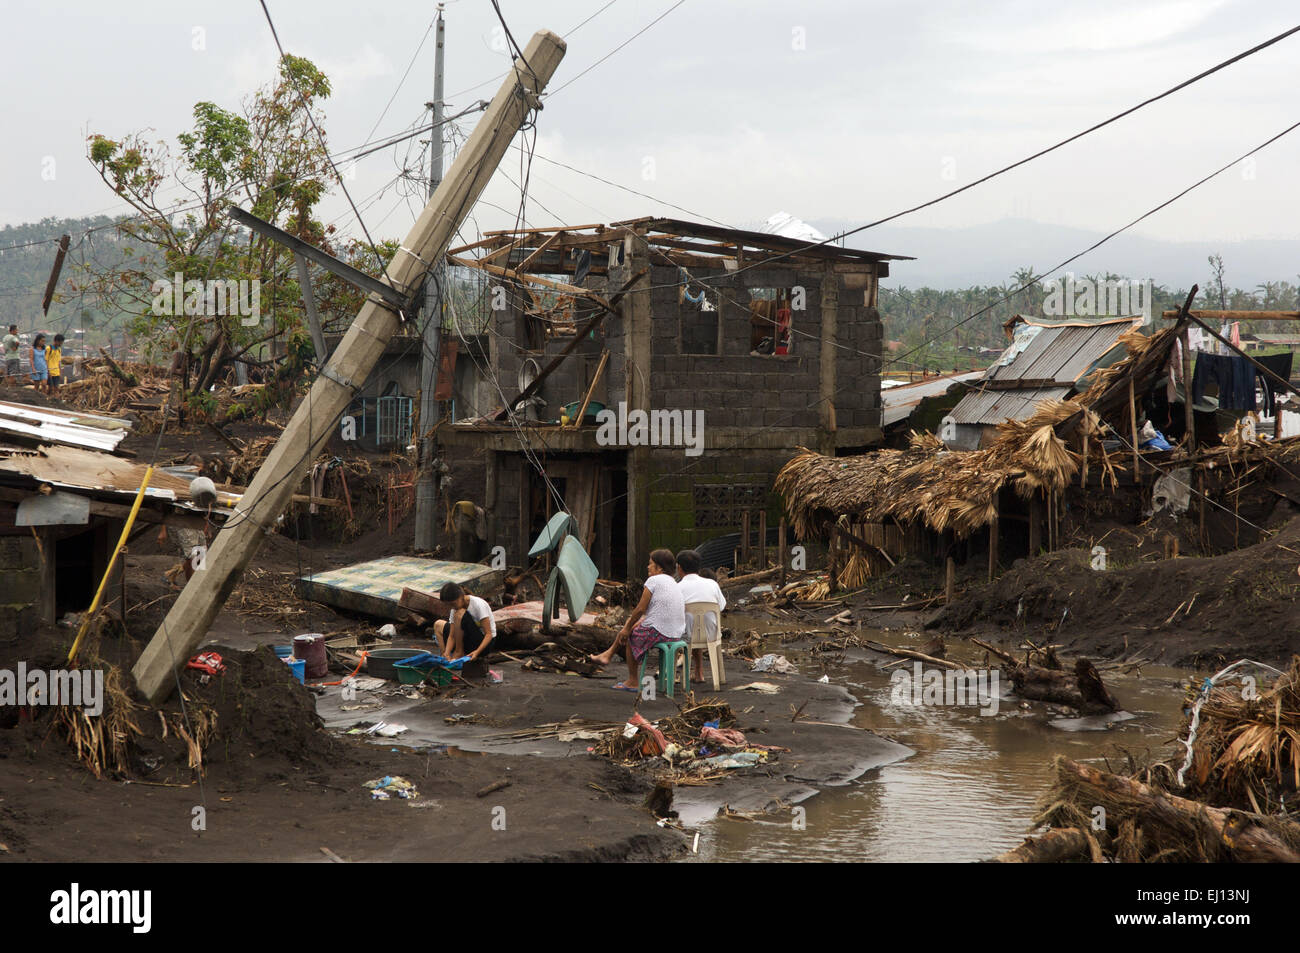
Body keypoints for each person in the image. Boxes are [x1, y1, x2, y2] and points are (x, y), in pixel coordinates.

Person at [590, 549, 685, 692]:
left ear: (659, 568)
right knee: (635, 624)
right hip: (676, 633)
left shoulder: (654, 580)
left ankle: (633, 681)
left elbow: (640, 609)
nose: (648, 567)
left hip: (661, 632)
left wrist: (627, 628)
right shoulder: (674, 583)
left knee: (630, 635)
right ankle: (608, 654)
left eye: (650, 564)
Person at [676, 549, 726, 683]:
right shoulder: (712, 584)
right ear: (698, 568)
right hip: (712, 634)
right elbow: (721, 606)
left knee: (685, 626)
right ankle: (699, 672)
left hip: (688, 635)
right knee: (697, 624)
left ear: (679, 568)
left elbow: (674, 613)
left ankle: (670, 674)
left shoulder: (678, 587)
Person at [433, 582, 497, 673]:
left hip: (483, 643)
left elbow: (489, 634)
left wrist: (477, 652)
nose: (452, 607)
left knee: (459, 613)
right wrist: (447, 652)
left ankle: (459, 652)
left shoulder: (478, 604)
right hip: (467, 640)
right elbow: (452, 636)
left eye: (453, 604)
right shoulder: (454, 609)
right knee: (438, 625)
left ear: (461, 596)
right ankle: (445, 657)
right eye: (449, 605)